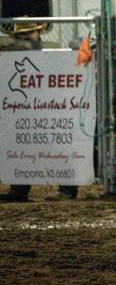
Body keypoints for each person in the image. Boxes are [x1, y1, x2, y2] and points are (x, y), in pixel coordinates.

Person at [3, 20, 80, 201]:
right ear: (15, 37)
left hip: (50, 106)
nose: (27, 37)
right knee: (19, 144)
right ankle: (19, 189)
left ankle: (67, 190)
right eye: (22, 34)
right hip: (23, 107)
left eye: (31, 32)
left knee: (58, 143)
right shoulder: (9, 55)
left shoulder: (51, 50)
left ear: (39, 34)